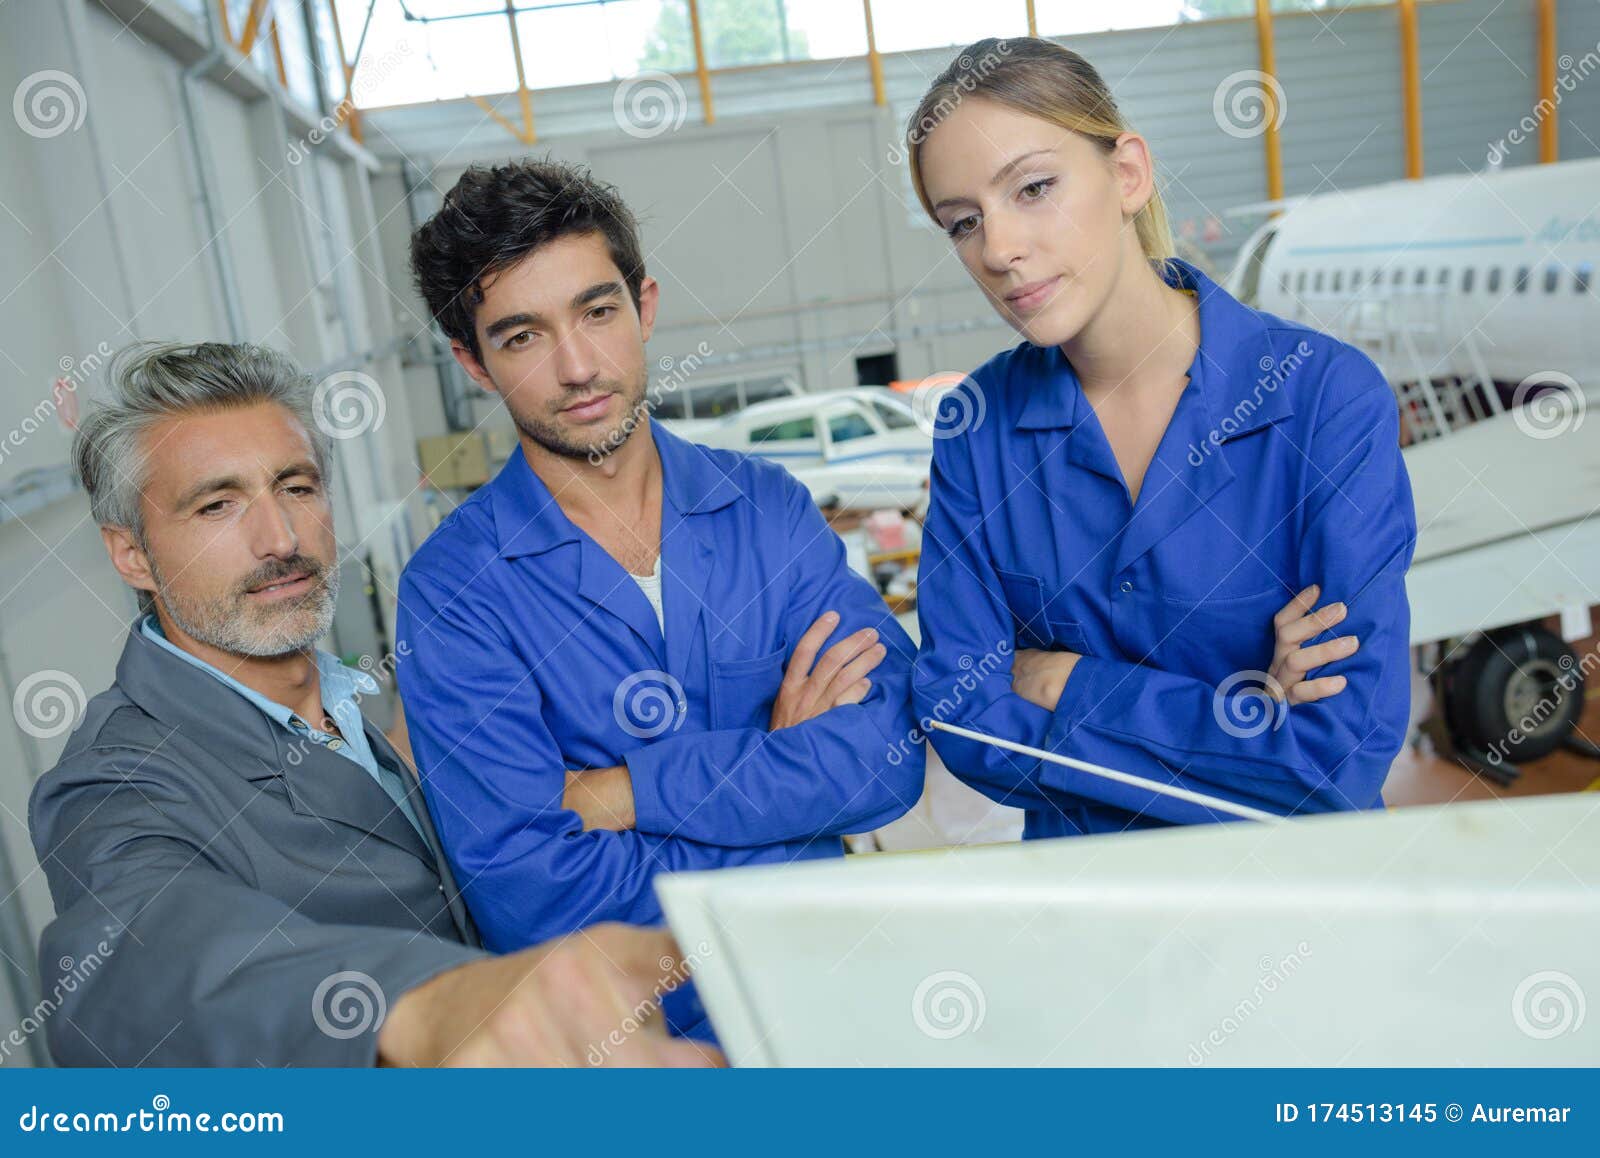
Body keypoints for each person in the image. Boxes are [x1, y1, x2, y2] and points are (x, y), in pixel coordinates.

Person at [29, 340, 718, 1067]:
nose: (282, 539)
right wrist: (433, 1007)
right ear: (131, 552)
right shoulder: (117, 781)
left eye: (296, 487)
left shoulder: (354, 697)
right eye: (217, 505)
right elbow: (145, 953)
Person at [396, 160, 923, 1030]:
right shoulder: (455, 593)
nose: (576, 367)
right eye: (522, 336)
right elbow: (537, 901)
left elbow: (886, 758)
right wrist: (780, 775)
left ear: (643, 307)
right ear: (473, 362)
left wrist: (623, 792)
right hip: (638, 1057)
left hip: (834, 1013)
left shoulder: (769, 510)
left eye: (597, 313)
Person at [907, 39, 1416, 838]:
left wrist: (1064, 685)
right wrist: (1240, 721)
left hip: (1298, 906)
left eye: (1034, 188)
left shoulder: (1324, 398)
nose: (999, 250)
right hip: (1094, 913)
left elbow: (1336, 758)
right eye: (963, 223)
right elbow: (961, 718)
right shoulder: (977, 429)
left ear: (1128, 174)